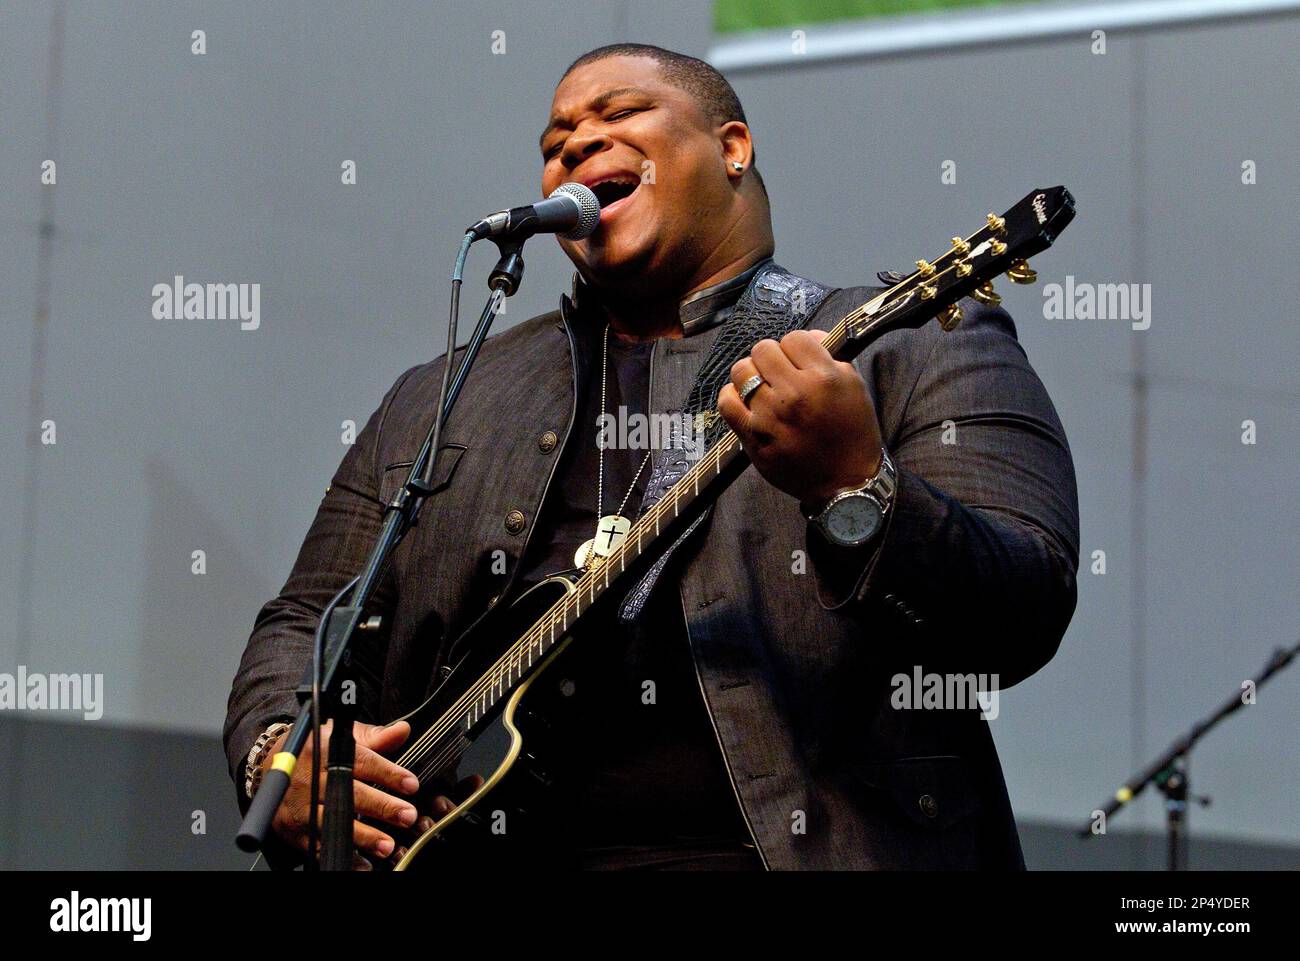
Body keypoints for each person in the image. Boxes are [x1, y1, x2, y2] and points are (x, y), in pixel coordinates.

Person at [224, 43, 1079, 871]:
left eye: (621, 113)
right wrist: (278, 752)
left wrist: (853, 489)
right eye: (555, 145)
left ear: (731, 147)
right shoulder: (436, 395)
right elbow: (309, 621)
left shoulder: (907, 343)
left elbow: (1023, 608)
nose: (576, 146)